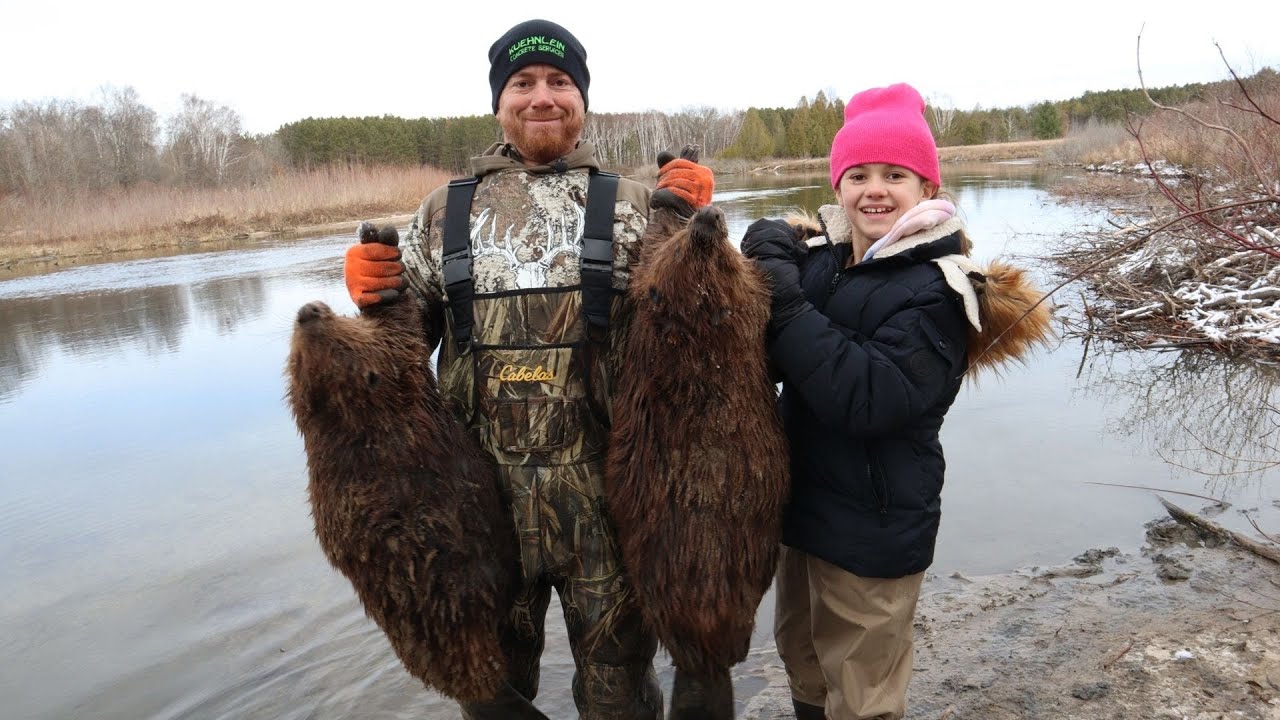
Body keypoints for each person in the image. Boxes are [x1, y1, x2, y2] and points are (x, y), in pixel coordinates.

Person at [341, 18, 715, 720]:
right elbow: (399, 361)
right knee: (493, 689)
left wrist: (700, 237)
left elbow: (697, 341)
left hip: (608, 500)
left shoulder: (636, 207)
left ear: (583, 104)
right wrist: (369, 304)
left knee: (620, 695)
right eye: (523, 83)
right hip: (479, 510)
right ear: (499, 105)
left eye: (559, 82)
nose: (542, 96)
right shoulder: (440, 214)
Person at [741, 83, 1051, 720]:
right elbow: (774, 358)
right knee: (802, 658)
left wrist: (784, 299)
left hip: (874, 526)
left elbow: (868, 397)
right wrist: (762, 268)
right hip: (801, 510)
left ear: (927, 189)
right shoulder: (826, 265)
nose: (873, 189)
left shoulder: (938, 290)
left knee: (862, 692)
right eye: (857, 175)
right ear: (837, 188)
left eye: (894, 174)